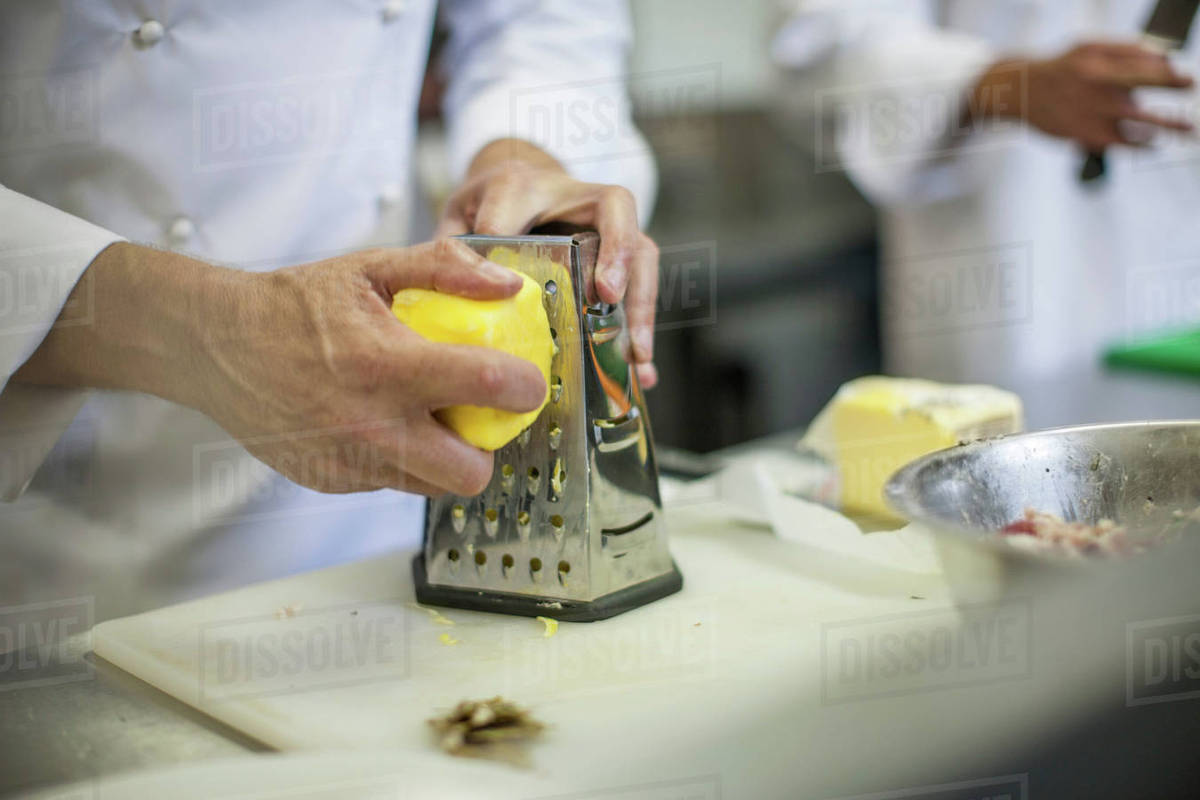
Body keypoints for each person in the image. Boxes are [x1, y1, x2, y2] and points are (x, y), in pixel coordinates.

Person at [0, 1, 658, 616]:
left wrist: (521, 156)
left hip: (385, 537)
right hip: (61, 563)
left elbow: (541, 20)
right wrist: (221, 333)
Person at [773, 0, 1200, 426]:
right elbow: (815, 52)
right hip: (996, 293)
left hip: (1174, 319)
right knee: (981, 455)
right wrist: (1003, 84)